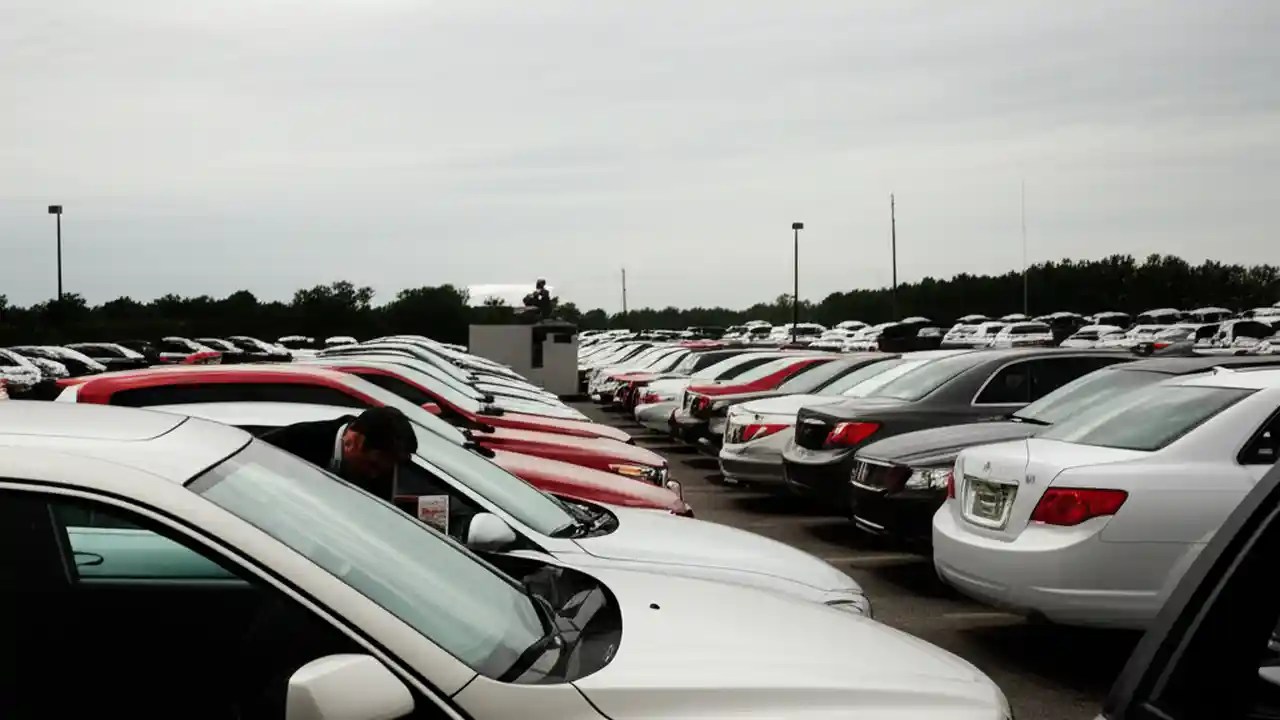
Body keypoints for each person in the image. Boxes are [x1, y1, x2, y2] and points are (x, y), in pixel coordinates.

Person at [259, 406, 417, 502]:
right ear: (354, 442)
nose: (374, 475)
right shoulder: (293, 442)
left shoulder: (384, 468)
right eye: (371, 465)